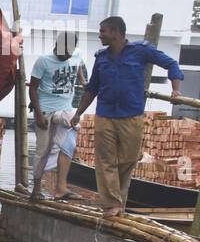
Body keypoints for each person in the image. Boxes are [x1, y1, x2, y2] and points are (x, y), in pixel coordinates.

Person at [70, 16, 184, 216]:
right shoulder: (101, 57)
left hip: (131, 115)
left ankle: (118, 203)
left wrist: (176, 91)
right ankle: (111, 204)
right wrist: (78, 113)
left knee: (128, 160)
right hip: (105, 114)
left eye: (103, 31)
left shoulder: (141, 50)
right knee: (105, 161)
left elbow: (171, 64)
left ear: (115, 32)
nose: (100, 35)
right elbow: (92, 89)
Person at [29, 31, 82, 200]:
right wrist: (38, 114)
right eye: (64, 51)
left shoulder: (77, 55)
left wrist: (82, 80)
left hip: (65, 108)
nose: (67, 55)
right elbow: (32, 88)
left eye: (70, 52)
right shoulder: (43, 61)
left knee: (69, 144)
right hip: (45, 110)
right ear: (57, 46)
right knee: (43, 150)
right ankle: (36, 190)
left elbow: (78, 65)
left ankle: (61, 188)